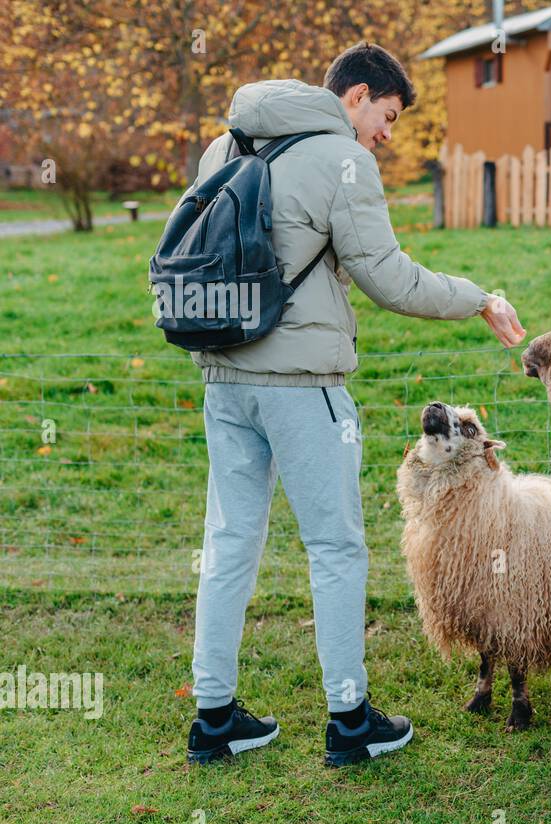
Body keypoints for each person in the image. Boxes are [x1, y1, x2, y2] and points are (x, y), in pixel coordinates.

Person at [183, 42, 525, 766]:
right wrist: (477, 298)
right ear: (356, 96)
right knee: (336, 549)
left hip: (222, 377)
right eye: (388, 115)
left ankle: (213, 719)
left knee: (228, 544)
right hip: (304, 386)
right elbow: (392, 279)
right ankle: (349, 718)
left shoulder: (226, 142)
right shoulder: (343, 161)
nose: (387, 134)